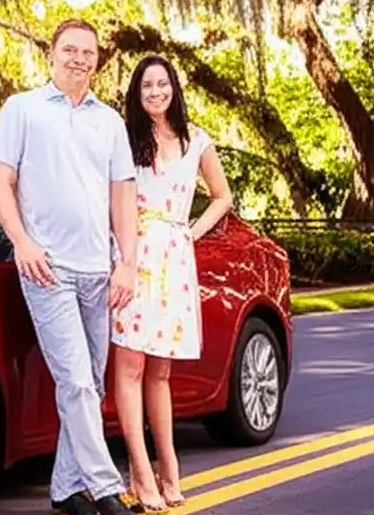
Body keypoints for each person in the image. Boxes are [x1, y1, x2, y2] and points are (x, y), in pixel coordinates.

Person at [0, 18, 139, 515]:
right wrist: (22, 243)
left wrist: (127, 264)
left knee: (90, 386)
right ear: (51, 55)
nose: (79, 58)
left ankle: (65, 490)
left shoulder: (109, 122)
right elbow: (1, 183)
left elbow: (122, 198)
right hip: (48, 270)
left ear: (97, 59)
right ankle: (104, 487)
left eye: (89, 52)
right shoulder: (22, 109)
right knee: (74, 380)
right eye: (70, 50)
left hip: (100, 272)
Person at [110, 54, 233, 510]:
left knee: (160, 371)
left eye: (162, 84)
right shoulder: (125, 141)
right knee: (130, 367)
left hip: (174, 261)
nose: (155, 92)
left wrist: (189, 233)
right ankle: (140, 472)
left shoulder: (196, 139)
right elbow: (111, 198)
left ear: (174, 88)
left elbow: (223, 196)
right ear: (137, 95)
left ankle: (170, 467)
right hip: (132, 253)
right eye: (146, 87)